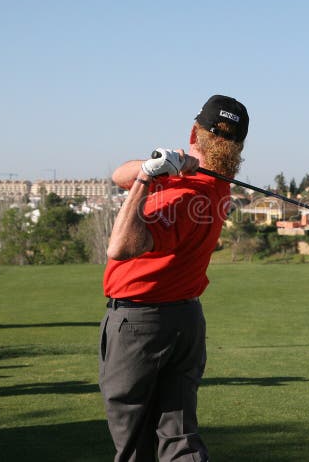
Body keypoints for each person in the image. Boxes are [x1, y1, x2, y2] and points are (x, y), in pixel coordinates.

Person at [99, 95, 249, 462]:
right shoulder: (217, 185)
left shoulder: (183, 193)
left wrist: (147, 180)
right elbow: (118, 173)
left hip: (140, 324)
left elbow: (119, 247)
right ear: (237, 148)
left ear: (193, 131)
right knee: (179, 437)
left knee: (133, 442)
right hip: (185, 322)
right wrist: (154, 165)